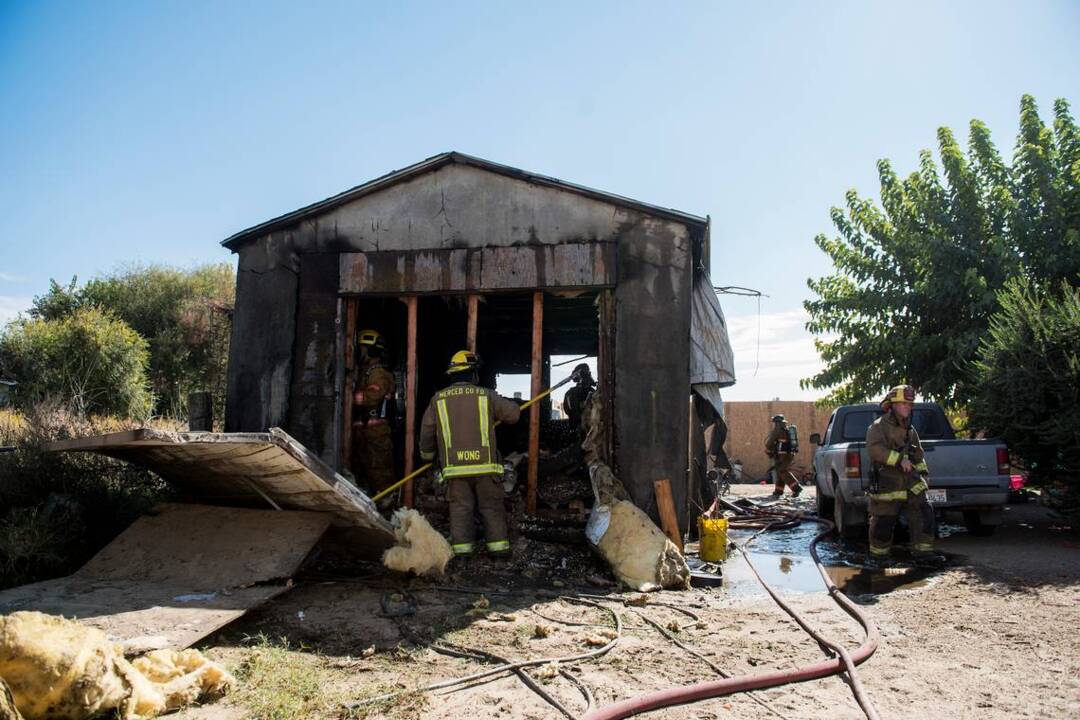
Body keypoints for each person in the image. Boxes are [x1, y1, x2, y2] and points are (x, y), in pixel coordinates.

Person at [419, 350, 521, 557]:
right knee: (491, 508)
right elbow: (513, 415)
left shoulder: (437, 399)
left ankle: (463, 553)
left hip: (454, 471)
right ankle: (499, 552)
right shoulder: (486, 395)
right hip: (486, 469)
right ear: (473, 375)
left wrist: (427, 458)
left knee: (460, 510)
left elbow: (426, 432)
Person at [865, 384, 945, 568]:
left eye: (910, 404)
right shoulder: (878, 427)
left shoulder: (911, 430)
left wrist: (923, 474)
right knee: (884, 521)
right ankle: (879, 558)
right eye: (903, 404)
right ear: (892, 405)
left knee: (925, 514)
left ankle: (923, 553)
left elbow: (918, 455)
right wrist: (899, 460)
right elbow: (875, 450)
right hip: (888, 483)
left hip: (911, 482)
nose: (908, 407)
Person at [350, 329, 396, 498]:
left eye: (362, 349)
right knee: (362, 473)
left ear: (371, 351)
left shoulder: (377, 372)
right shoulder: (364, 372)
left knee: (380, 473)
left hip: (376, 433)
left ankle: (388, 508)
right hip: (363, 431)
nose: (358, 352)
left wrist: (349, 397)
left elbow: (372, 396)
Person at [765, 414, 801, 497]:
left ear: (777, 423)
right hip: (789, 454)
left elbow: (768, 444)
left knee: (782, 471)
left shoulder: (778, 430)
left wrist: (770, 449)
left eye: (775, 423)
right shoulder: (787, 429)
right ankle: (778, 491)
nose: (774, 424)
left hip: (782, 456)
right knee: (779, 472)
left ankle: (796, 488)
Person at [562, 363, 595, 430]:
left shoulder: (593, 393)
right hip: (578, 428)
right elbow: (569, 410)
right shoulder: (571, 393)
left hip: (589, 429)